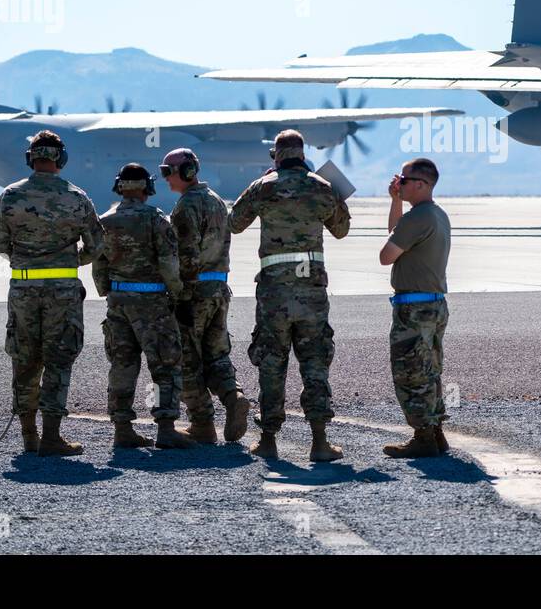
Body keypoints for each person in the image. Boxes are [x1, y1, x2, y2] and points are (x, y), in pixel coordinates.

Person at [229, 129, 350, 462]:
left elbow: (235, 223)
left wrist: (263, 187)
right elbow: (341, 230)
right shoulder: (322, 187)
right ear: (303, 154)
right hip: (311, 294)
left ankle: (268, 439)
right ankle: (320, 442)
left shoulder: (263, 188)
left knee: (271, 363)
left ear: (277, 156)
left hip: (274, 294)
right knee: (315, 364)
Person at [0, 130, 103, 456]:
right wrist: (69, 261)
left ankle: (29, 437)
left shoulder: (10, 197)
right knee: (59, 359)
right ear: (61, 160)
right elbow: (96, 246)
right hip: (63, 293)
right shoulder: (77, 197)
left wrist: (27, 259)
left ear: (31, 158)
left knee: (24, 360)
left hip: (23, 289)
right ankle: (52, 436)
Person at [91, 163, 194, 450]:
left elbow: (98, 266)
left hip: (118, 304)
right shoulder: (155, 219)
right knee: (163, 364)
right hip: (152, 306)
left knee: (123, 365)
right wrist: (180, 296)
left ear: (119, 187)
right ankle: (165, 427)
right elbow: (169, 264)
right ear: (147, 188)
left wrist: (109, 292)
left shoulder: (106, 220)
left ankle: (122, 429)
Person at [160, 147, 250, 444]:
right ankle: (233, 395)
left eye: (167, 172)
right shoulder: (216, 202)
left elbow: (185, 257)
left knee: (187, 359)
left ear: (185, 172)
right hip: (219, 290)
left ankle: (202, 424)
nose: (165, 179)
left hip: (194, 291)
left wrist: (181, 296)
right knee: (217, 354)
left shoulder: (186, 207)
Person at [378, 158, 451, 458]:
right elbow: (396, 230)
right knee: (430, 369)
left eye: (404, 180)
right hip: (433, 304)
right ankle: (434, 431)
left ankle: (423, 436)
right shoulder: (433, 214)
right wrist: (396, 201)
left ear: (421, 184)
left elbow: (386, 255)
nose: (399, 183)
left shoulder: (418, 218)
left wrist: (398, 208)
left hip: (415, 309)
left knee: (411, 372)